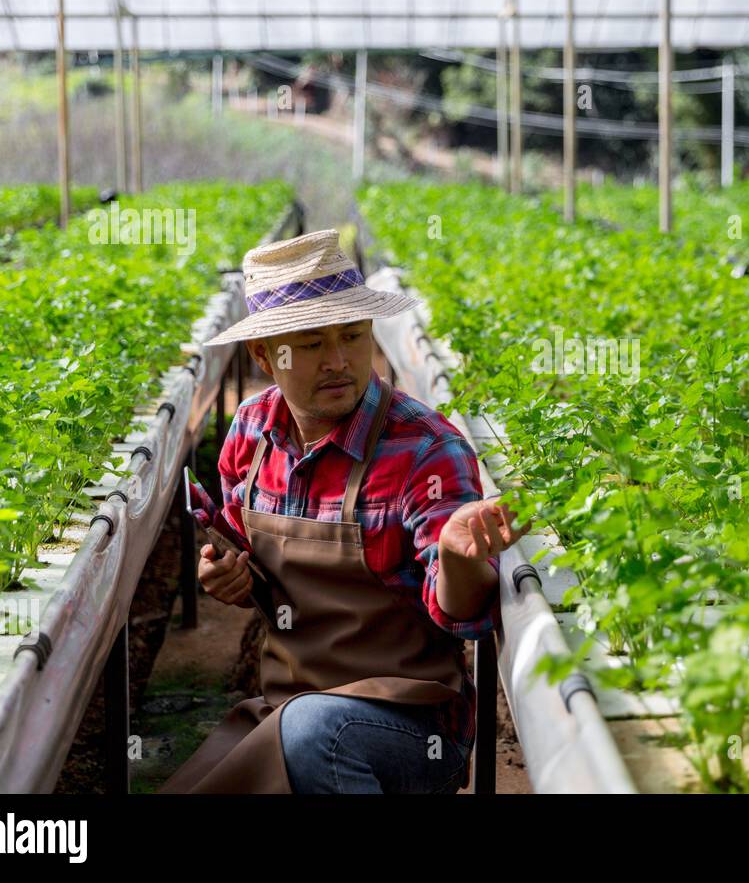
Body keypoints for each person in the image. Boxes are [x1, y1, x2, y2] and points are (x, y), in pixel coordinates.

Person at [158, 228, 526, 794]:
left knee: (313, 734)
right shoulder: (252, 431)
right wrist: (225, 574)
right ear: (264, 354)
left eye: (352, 336)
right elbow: (243, 553)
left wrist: (457, 556)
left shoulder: (426, 448)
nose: (338, 362)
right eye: (310, 345)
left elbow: (465, 616)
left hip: (413, 724)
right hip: (286, 707)